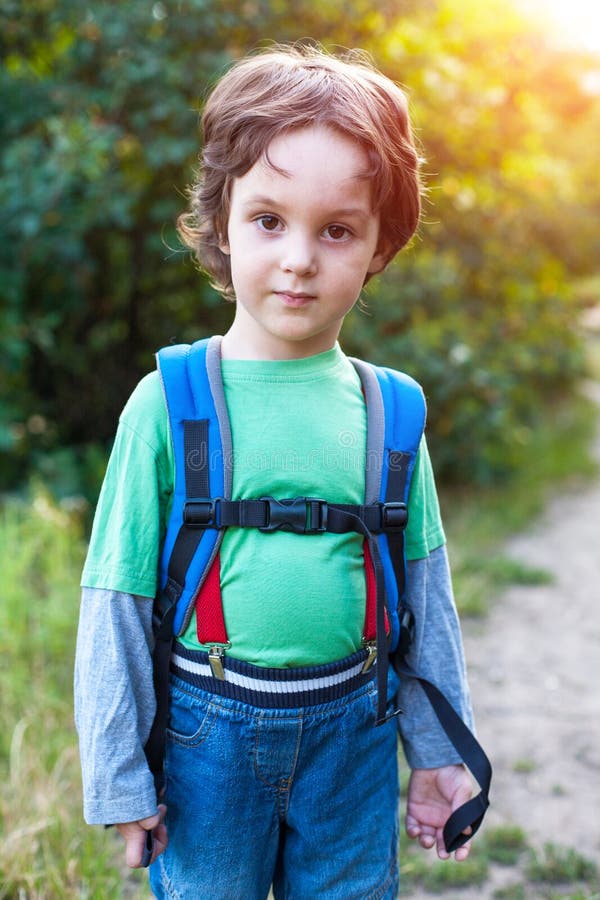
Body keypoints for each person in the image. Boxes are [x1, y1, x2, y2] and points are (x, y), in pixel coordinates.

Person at [75, 43, 477, 899]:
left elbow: (424, 598)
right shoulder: (171, 400)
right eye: (269, 220)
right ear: (222, 222)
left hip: (355, 736)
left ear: (378, 246)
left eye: (337, 229)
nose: (299, 258)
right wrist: (118, 779)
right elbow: (114, 603)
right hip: (206, 741)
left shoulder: (391, 411)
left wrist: (440, 755)